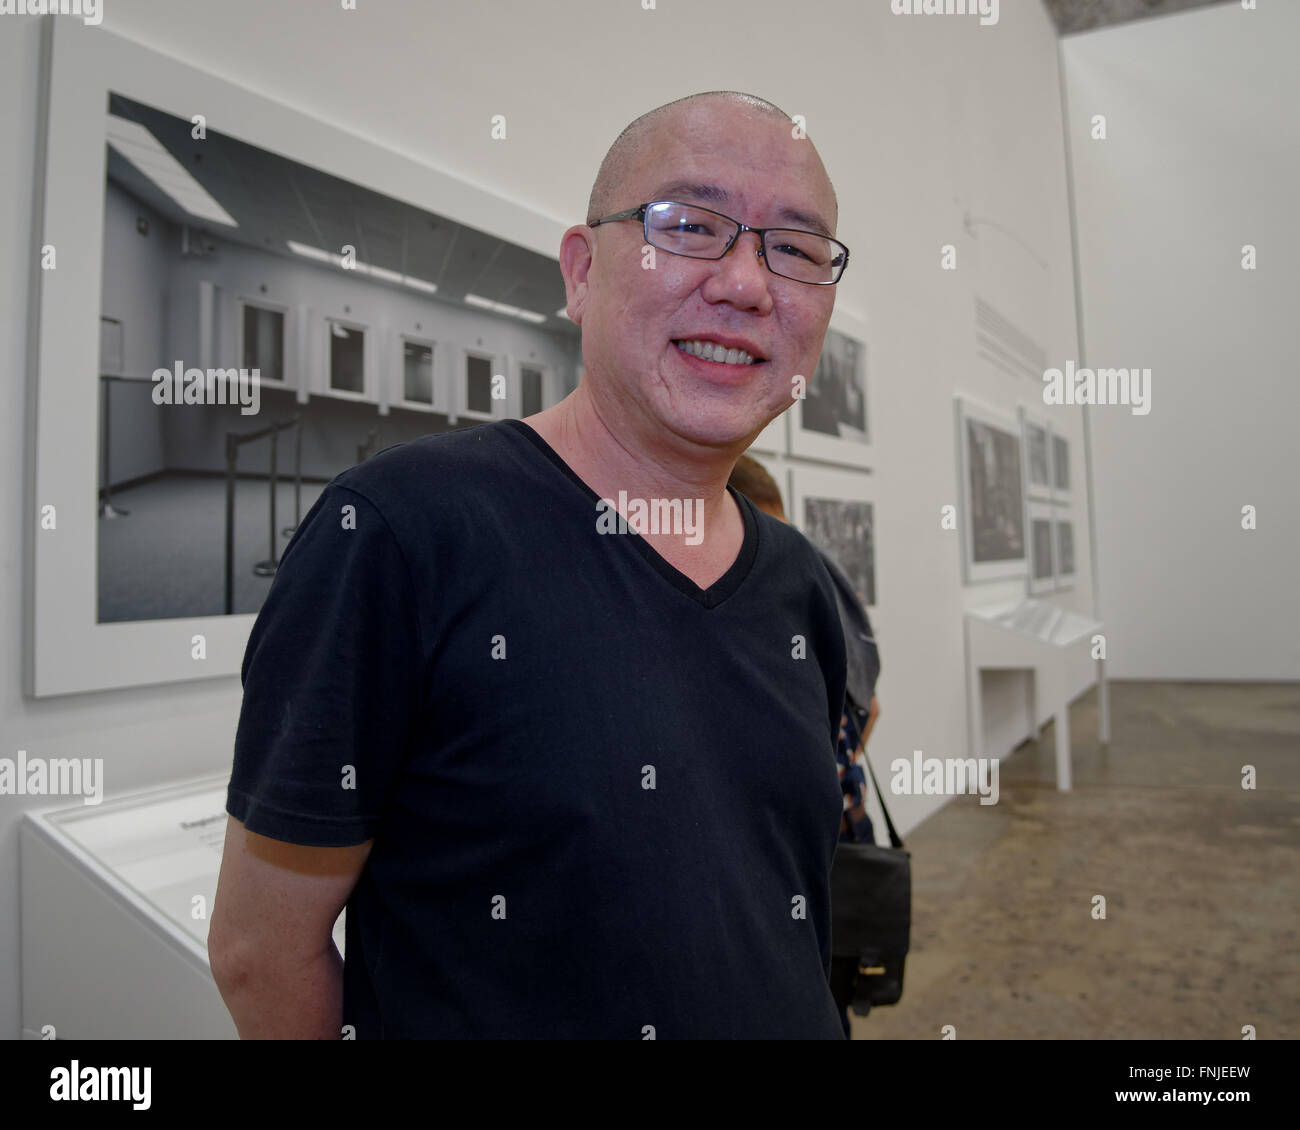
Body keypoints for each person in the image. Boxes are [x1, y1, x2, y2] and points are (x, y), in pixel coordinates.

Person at [209, 90, 854, 1039]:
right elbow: (260, 953)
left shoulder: (798, 582)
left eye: (794, 249)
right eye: (690, 225)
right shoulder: (403, 532)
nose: (749, 283)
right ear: (583, 271)